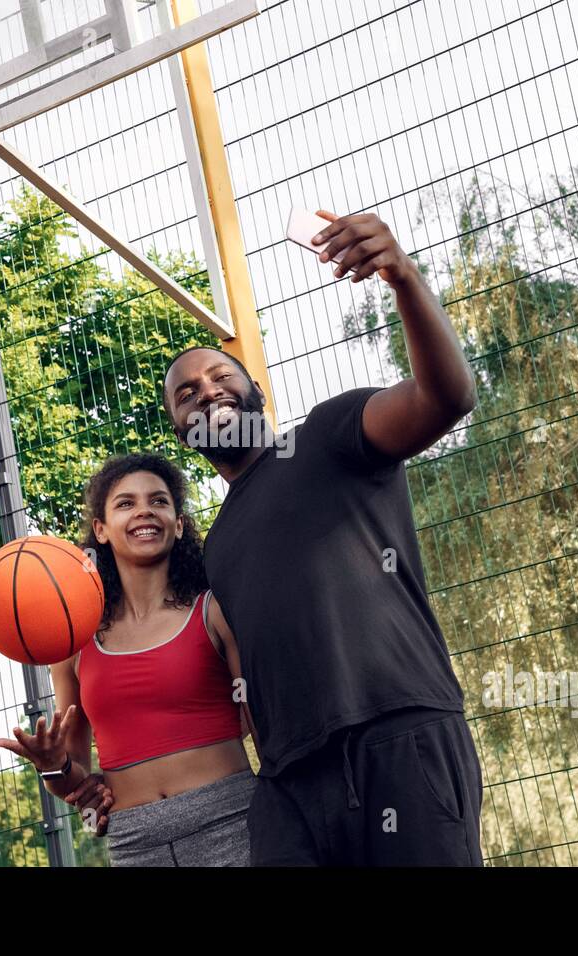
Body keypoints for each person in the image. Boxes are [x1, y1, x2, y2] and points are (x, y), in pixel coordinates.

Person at [161, 209, 484, 866]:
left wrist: (402, 276)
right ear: (180, 432)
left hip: (399, 733)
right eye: (186, 394)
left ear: (255, 389)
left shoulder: (329, 436)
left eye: (219, 376)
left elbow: (446, 397)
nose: (206, 390)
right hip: (291, 782)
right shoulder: (215, 547)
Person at [0, 453, 259, 866]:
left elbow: (263, 724)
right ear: (100, 529)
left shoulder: (214, 610)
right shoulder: (75, 642)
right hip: (135, 840)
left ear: (179, 523)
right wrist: (54, 766)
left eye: (158, 501)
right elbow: (77, 782)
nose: (144, 511)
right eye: (125, 503)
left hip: (230, 819)